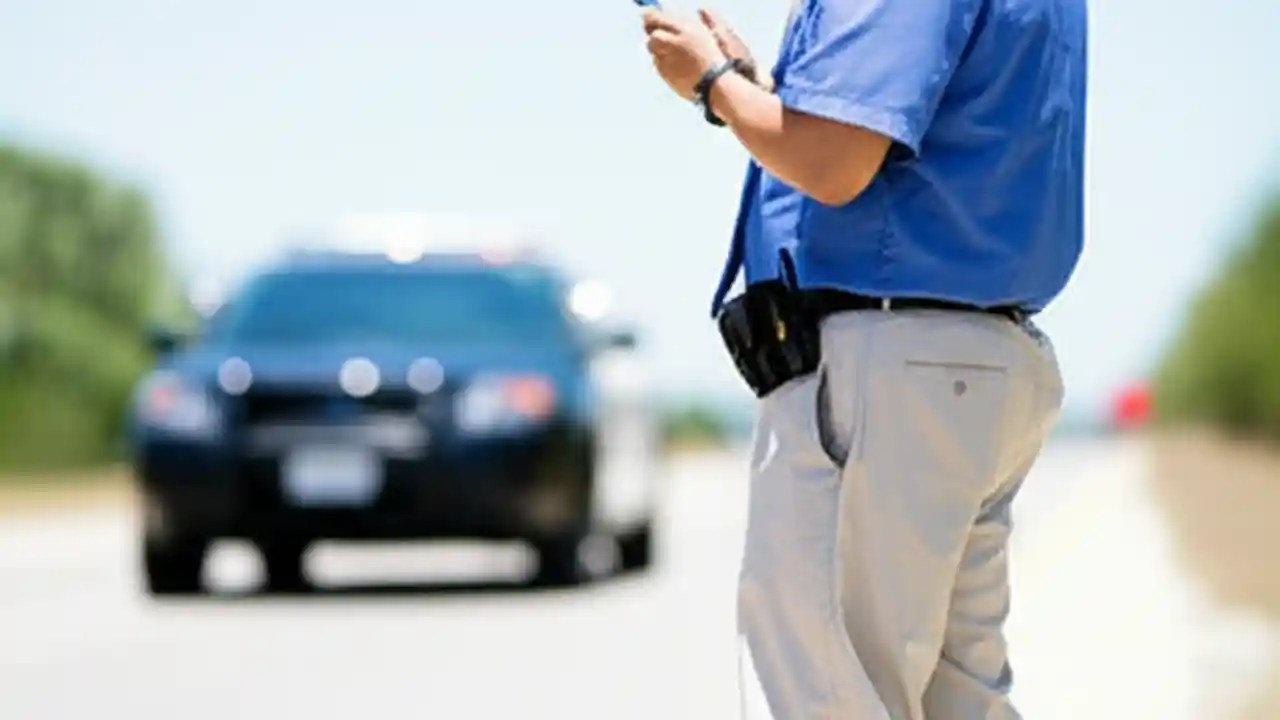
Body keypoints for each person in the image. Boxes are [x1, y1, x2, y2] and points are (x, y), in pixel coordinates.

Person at [640, 1, 1086, 718]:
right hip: (977, 363)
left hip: (889, 366)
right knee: (959, 701)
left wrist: (714, 81)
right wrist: (753, 89)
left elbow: (833, 163)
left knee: (826, 694)